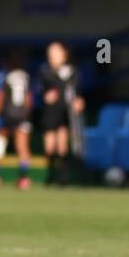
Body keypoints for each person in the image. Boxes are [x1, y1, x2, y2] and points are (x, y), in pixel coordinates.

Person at [0, 51, 33, 191]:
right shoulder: (25, 76)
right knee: (22, 147)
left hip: (7, 115)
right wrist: (26, 115)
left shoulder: (2, 76)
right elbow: (28, 99)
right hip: (22, 115)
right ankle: (24, 179)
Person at [39, 41, 85, 186]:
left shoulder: (72, 72)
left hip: (65, 112)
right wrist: (45, 96)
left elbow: (76, 92)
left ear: (64, 55)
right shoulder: (45, 72)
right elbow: (38, 91)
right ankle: (51, 173)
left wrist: (78, 100)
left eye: (56, 52)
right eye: (50, 53)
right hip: (50, 113)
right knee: (49, 147)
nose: (52, 56)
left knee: (62, 146)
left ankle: (63, 178)